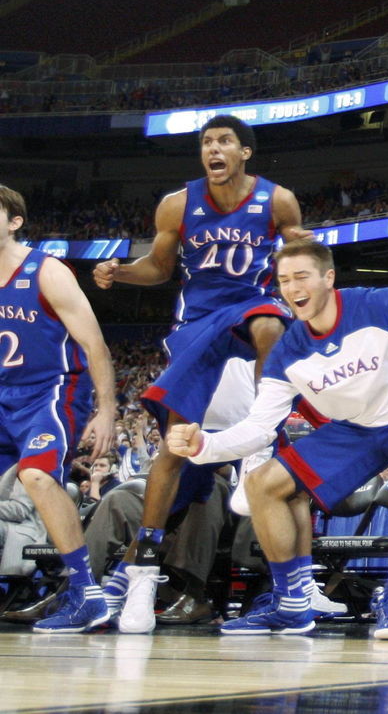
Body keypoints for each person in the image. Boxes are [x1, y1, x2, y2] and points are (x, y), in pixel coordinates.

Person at [166, 239, 388, 638]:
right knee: (263, 483)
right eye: (284, 280)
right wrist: (204, 446)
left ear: (329, 278)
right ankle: (293, 603)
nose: (292, 288)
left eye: (301, 277)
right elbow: (259, 428)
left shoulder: (374, 303)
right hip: (356, 429)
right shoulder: (287, 351)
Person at [92, 114, 307, 634]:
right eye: (207, 142)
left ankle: (261, 434)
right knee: (175, 444)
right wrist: (121, 271)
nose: (214, 149)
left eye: (224, 142)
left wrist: (308, 266)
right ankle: (140, 570)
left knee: (269, 327)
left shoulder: (277, 200)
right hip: (196, 324)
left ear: (244, 153)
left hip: (250, 303)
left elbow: (300, 253)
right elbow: (160, 268)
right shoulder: (177, 204)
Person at [0, 184, 118, 632]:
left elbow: (94, 344)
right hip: (2, 394)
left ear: (14, 222)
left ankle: (86, 593)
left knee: (36, 474)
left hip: (49, 393)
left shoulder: (46, 271)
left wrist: (106, 412)